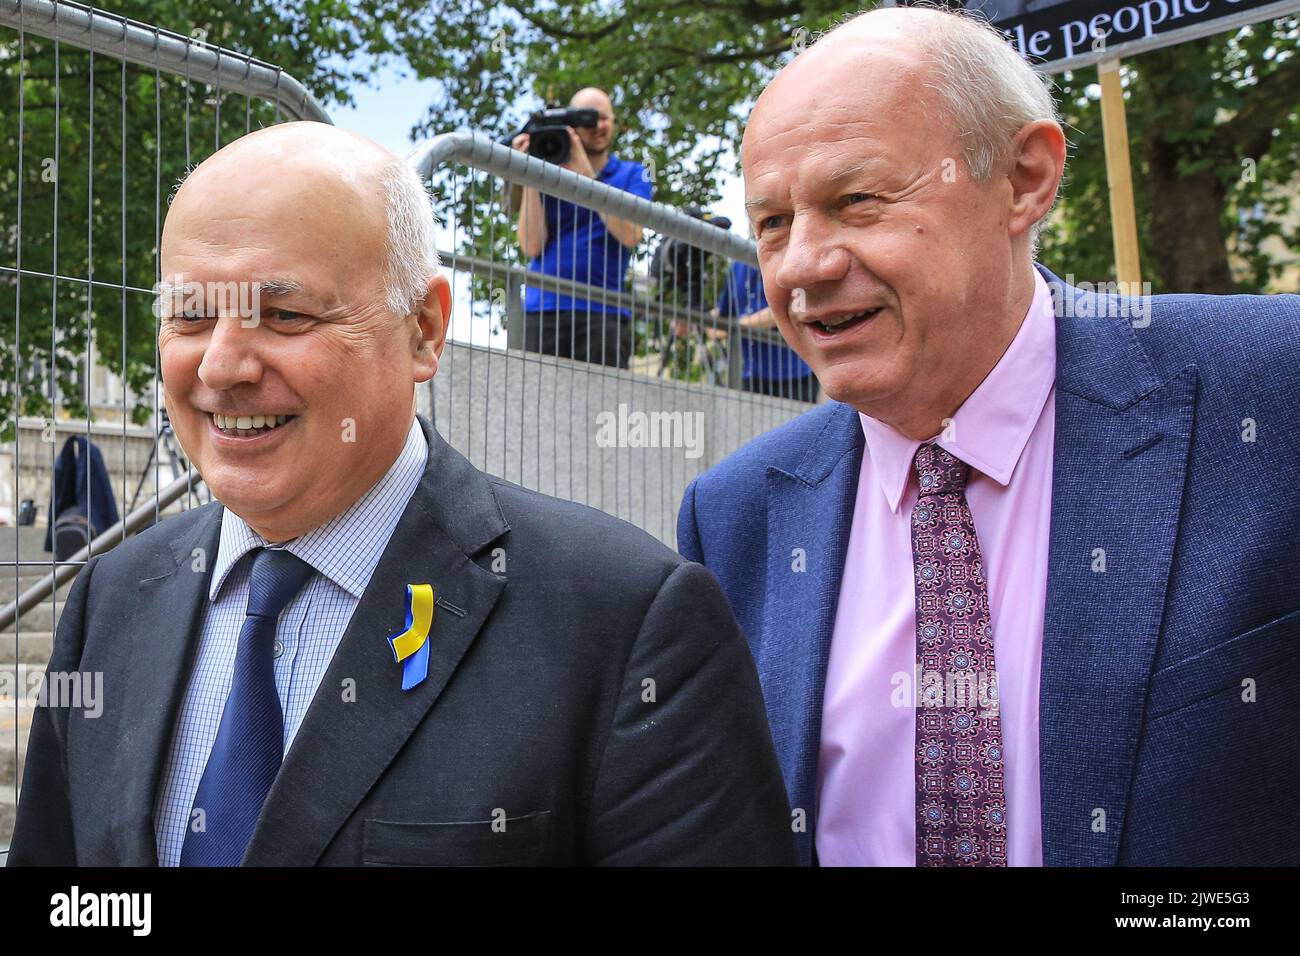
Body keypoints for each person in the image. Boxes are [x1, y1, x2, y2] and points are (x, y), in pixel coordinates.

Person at [8, 121, 796, 867]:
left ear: (423, 329)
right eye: (189, 315)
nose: (220, 367)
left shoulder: (626, 621)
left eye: (283, 315)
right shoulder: (112, 599)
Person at [677, 6, 1300, 866]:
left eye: (856, 200)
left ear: (1024, 178)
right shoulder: (735, 514)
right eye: (774, 224)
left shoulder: (1271, 391)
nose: (803, 267)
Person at [511, 87, 652, 368]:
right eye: (588, 119)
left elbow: (630, 234)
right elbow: (532, 245)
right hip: (543, 309)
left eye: (603, 118)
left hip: (603, 312)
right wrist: (528, 173)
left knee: (603, 411)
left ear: (614, 122)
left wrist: (585, 173)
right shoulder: (548, 174)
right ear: (572, 125)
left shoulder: (634, 173)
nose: (598, 126)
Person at [715, 259, 818, 402]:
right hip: (750, 375)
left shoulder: (788, 259)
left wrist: (738, 326)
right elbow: (720, 315)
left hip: (794, 375)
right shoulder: (736, 266)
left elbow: (796, 306)